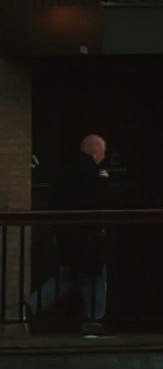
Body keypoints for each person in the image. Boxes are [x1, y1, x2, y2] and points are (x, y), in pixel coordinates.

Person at [35, 121, 118, 336]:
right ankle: (93, 321)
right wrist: (105, 181)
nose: (103, 157)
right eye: (103, 152)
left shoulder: (66, 171)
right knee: (96, 278)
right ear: (96, 151)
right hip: (87, 237)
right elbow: (98, 200)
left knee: (67, 276)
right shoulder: (93, 173)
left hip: (67, 236)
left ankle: (31, 306)